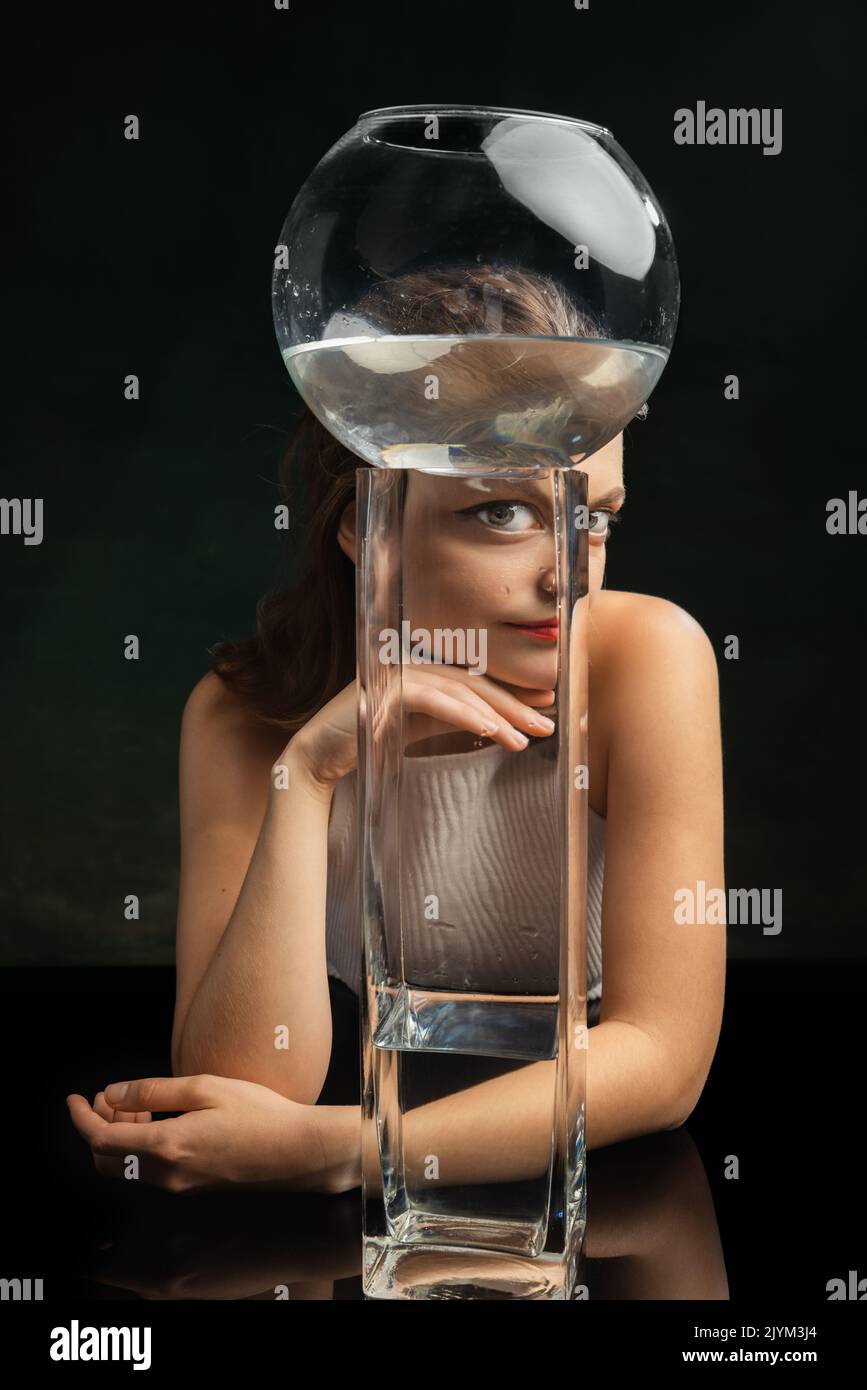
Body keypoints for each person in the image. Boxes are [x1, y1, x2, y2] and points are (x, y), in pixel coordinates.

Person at [67, 267, 725, 1195]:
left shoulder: (648, 660)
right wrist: (310, 772)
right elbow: (238, 1085)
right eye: (502, 512)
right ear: (362, 525)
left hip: (593, 1206)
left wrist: (342, 1151)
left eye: (596, 517)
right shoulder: (240, 716)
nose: (568, 575)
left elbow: (662, 1063)